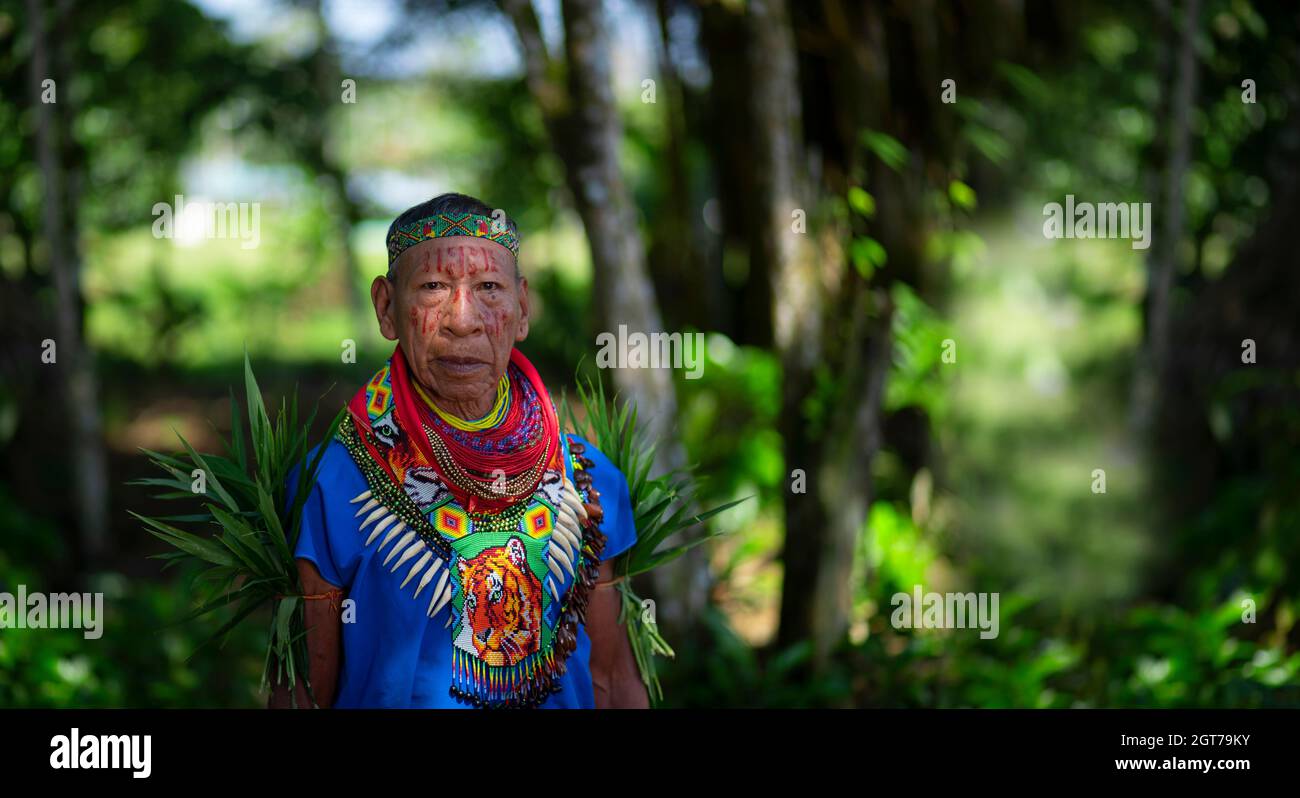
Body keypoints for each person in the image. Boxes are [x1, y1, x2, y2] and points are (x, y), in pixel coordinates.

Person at [273, 193, 648, 708]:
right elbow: (303, 694)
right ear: (386, 307)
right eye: (433, 288)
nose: (463, 320)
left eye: (489, 288)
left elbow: (612, 680)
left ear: (522, 309)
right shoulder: (332, 483)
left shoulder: (589, 481)